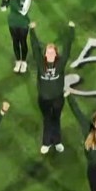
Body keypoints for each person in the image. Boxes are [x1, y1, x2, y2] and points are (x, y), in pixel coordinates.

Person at [30, 21, 75, 154]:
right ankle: (46, 142)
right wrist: (32, 31)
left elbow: (67, 48)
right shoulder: (40, 63)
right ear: (45, 54)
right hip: (44, 98)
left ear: (56, 54)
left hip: (57, 98)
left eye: (52, 52)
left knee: (56, 119)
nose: (50, 54)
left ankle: (57, 141)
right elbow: (35, 47)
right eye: (48, 52)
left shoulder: (60, 64)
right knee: (47, 120)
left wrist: (71, 30)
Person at [0, 0, 32, 73]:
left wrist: (13, 0)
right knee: (15, 42)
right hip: (12, 23)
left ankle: (24, 62)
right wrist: (4, 0)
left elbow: (23, 11)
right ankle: (18, 61)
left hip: (23, 24)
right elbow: (3, 9)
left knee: (23, 42)